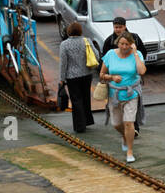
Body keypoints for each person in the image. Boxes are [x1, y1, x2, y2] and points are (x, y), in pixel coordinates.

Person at [100, 31, 147, 162]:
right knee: (116, 124)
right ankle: (125, 137)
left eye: (127, 44)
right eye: (122, 44)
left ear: (131, 44)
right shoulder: (110, 54)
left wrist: (136, 53)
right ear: (117, 43)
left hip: (131, 93)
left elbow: (142, 71)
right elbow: (102, 74)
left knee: (128, 123)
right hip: (114, 94)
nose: (124, 47)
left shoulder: (136, 55)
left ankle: (130, 151)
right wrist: (112, 77)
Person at [101, 17, 146, 134]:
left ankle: (133, 128)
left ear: (125, 26)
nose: (118, 29)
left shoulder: (135, 38)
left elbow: (143, 53)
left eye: (120, 27)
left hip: (131, 81)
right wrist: (108, 76)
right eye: (116, 27)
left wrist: (136, 64)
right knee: (118, 113)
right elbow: (104, 61)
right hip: (115, 85)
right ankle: (125, 129)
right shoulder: (109, 41)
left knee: (131, 107)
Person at [58, 21, 98, 134]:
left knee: (76, 100)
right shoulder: (87, 41)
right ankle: (87, 121)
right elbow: (96, 55)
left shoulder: (64, 44)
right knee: (86, 98)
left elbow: (63, 63)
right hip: (86, 74)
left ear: (69, 31)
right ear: (80, 30)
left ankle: (80, 126)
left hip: (72, 77)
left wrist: (61, 78)